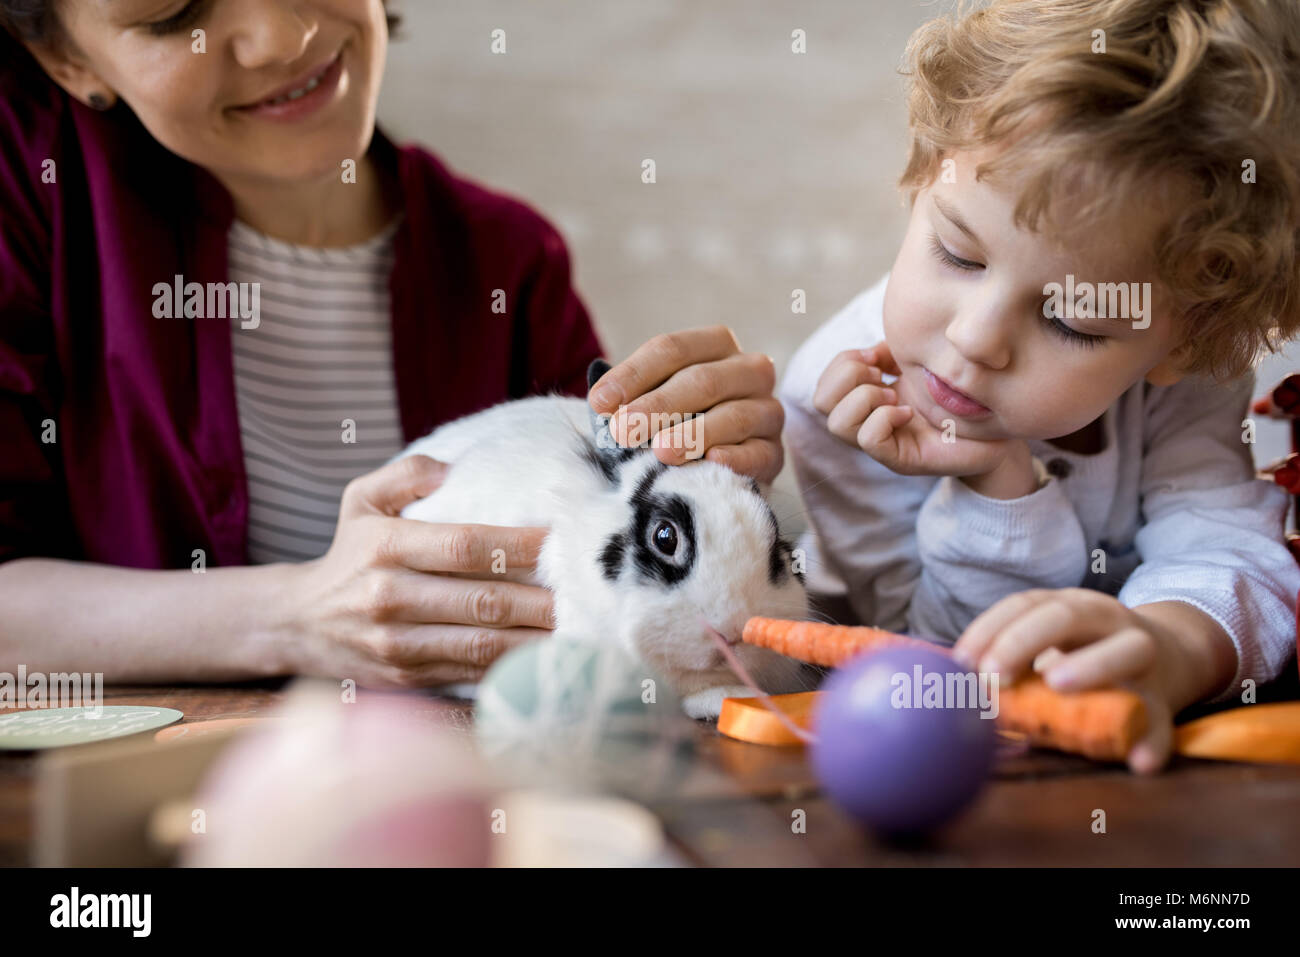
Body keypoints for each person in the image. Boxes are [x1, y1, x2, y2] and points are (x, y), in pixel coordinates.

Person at [0, 1, 785, 689]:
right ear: (66, 57)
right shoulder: (28, 204)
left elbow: (611, 591)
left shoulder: (509, 262)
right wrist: (295, 616)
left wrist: (721, 487)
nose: (281, 33)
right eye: (173, 13)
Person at [778, 0, 1300, 772]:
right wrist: (996, 482)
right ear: (922, 177)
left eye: (1075, 321)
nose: (975, 337)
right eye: (958, 253)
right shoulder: (843, 404)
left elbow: (1231, 554)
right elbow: (941, 670)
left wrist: (1169, 647)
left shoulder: (1184, 388)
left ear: (1183, 343)